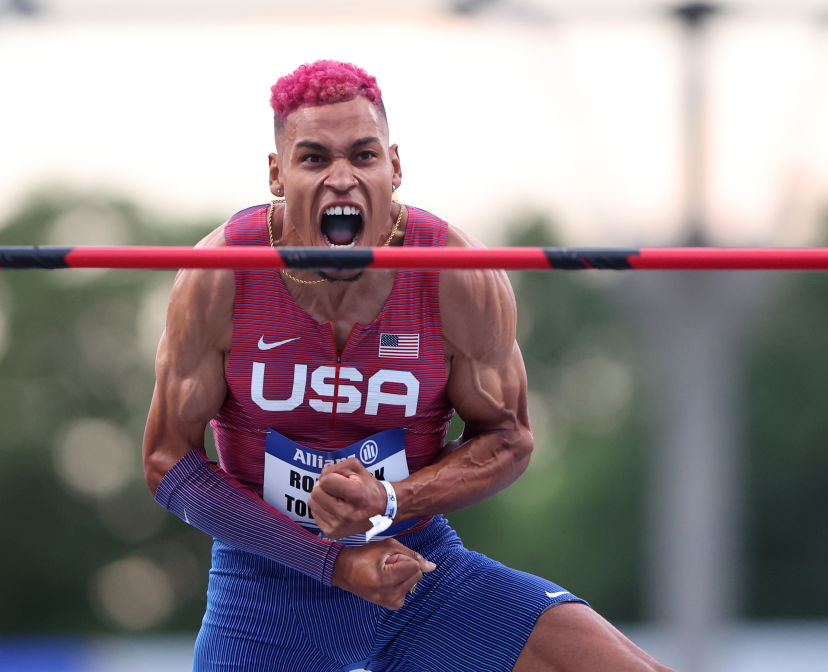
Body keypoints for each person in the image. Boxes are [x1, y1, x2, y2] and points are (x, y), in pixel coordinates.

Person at [142, 60, 672, 672]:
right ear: (277, 174)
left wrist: (390, 500)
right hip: (266, 595)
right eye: (314, 158)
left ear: (393, 167)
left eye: (363, 156)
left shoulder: (455, 272)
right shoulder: (218, 274)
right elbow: (167, 463)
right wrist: (336, 564)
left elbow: (508, 438)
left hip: (415, 571)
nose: (342, 178)